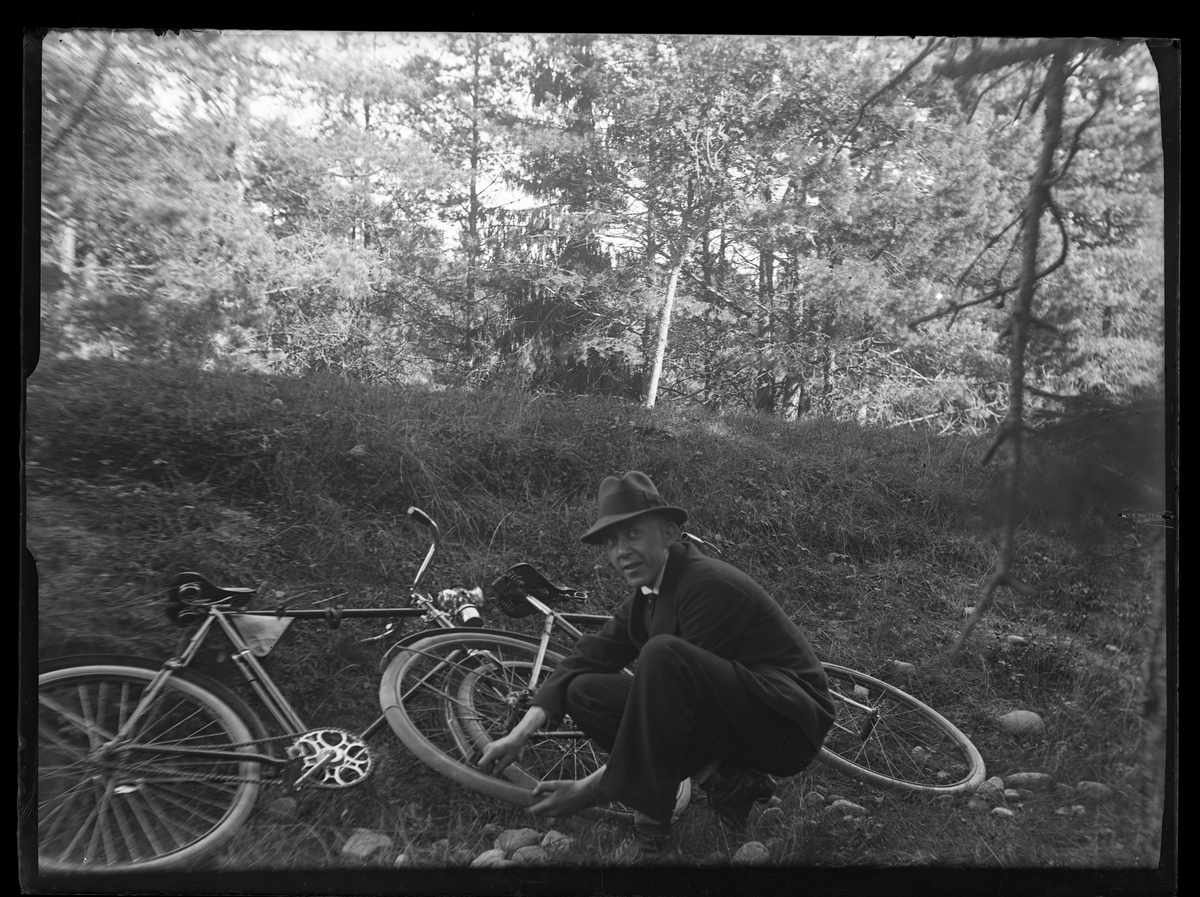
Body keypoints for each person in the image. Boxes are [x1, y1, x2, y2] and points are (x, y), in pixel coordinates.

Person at [478, 471, 835, 863]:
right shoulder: (648, 595)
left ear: (668, 534)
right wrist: (521, 733)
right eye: (610, 542)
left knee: (662, 656)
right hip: (734, 718)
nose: (620, 551)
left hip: (786, 726)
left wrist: (591, 789)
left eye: (632, 534)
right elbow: (587, 657)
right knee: (584, 690)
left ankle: (653, 842)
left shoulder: (708, 583)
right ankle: (728, 782)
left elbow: (672, 711)